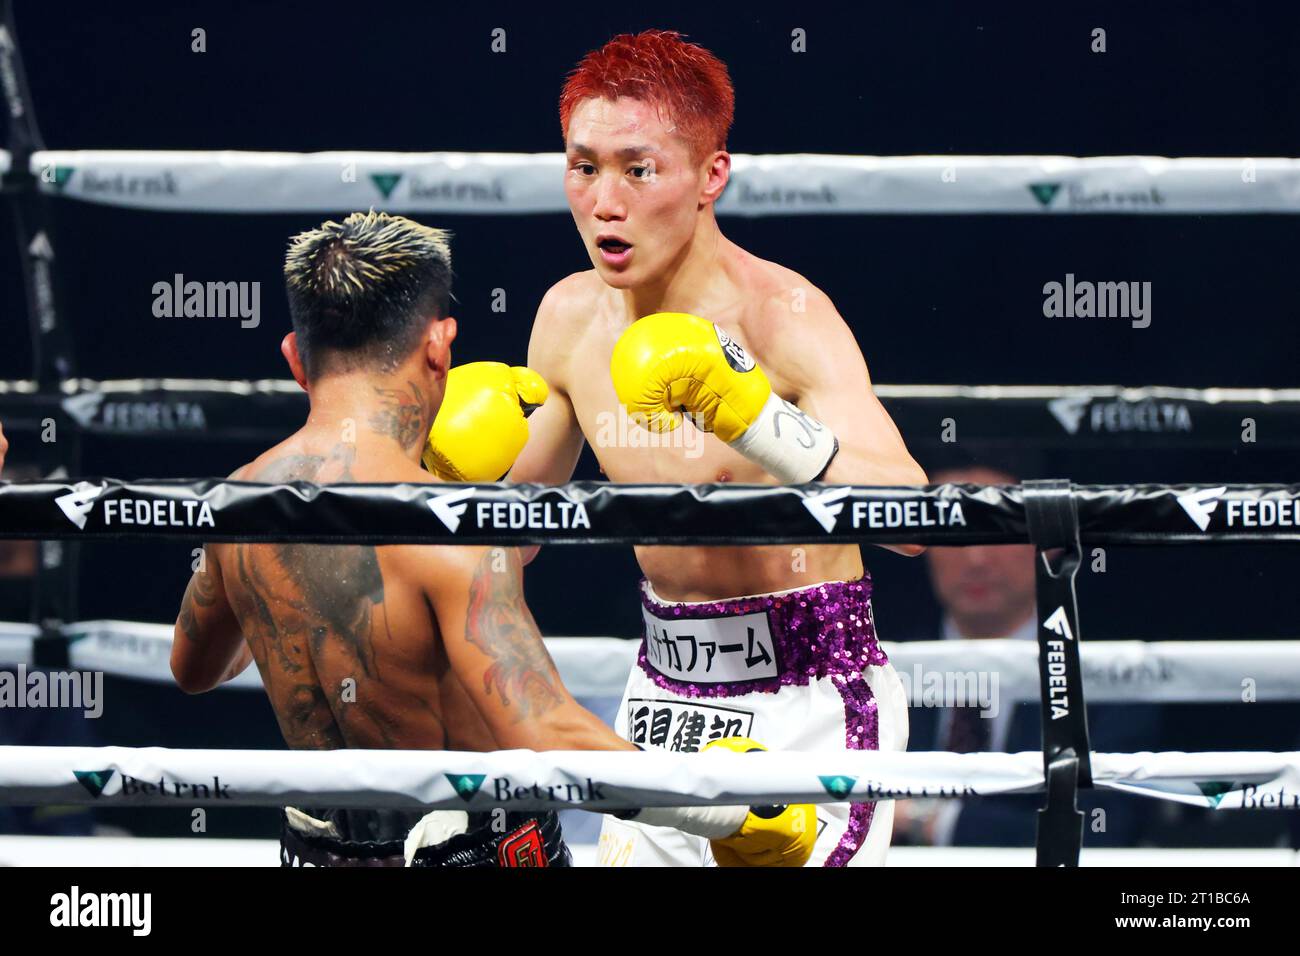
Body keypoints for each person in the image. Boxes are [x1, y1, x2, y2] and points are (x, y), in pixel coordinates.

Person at [170, 210, 815, 867]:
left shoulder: (241, 500)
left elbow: (195, 670)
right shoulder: (447, 526)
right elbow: (544, 732)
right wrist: (733, 808)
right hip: (468, 849)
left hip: (315, 851)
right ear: (439, 346)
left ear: (293, 358)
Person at [508, 31, 926, 867]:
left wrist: (754, 417)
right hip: (662, 697)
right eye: (583, 166)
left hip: (811, 696)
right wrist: (445, 473)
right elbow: (512, 537)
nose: (604, 201)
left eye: (639, 168)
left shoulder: (785, 317)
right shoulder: (566, 319)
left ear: (711, 175)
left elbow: (914, 518)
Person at [895, 464, 1160, 848]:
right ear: (919, 544)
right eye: (953, 531)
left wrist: (931, 821)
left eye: (999, 529)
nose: (976, 558)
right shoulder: (876, 667)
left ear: (1049, 537)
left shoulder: (1106, 677)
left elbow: (1109, 830)